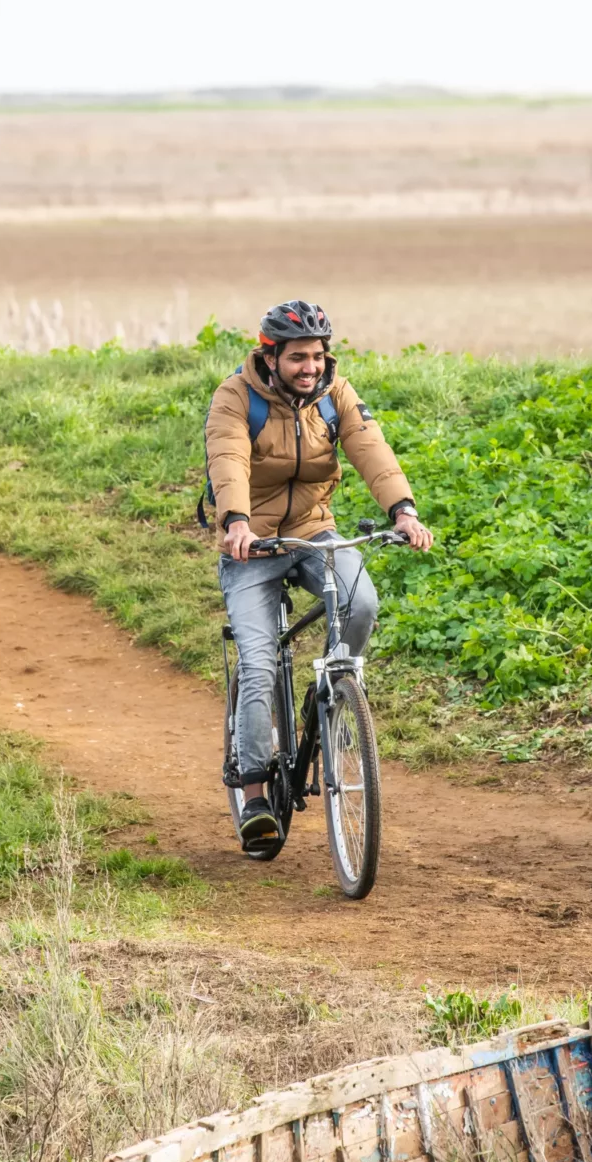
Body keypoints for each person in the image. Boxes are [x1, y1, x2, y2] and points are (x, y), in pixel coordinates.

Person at [207, 300, 433, 849]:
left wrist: (403, 511)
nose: (310, 367)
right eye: (297, 358)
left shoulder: (336, 395)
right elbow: (228, 459)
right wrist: (236, 522)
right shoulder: (235, 397)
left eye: (316, 356)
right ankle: (255, 795)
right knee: (258, 666)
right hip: (252, 545)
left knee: (361, 602)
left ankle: (332, 694)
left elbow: (371, 449)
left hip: (314, 531)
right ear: (271, 357)